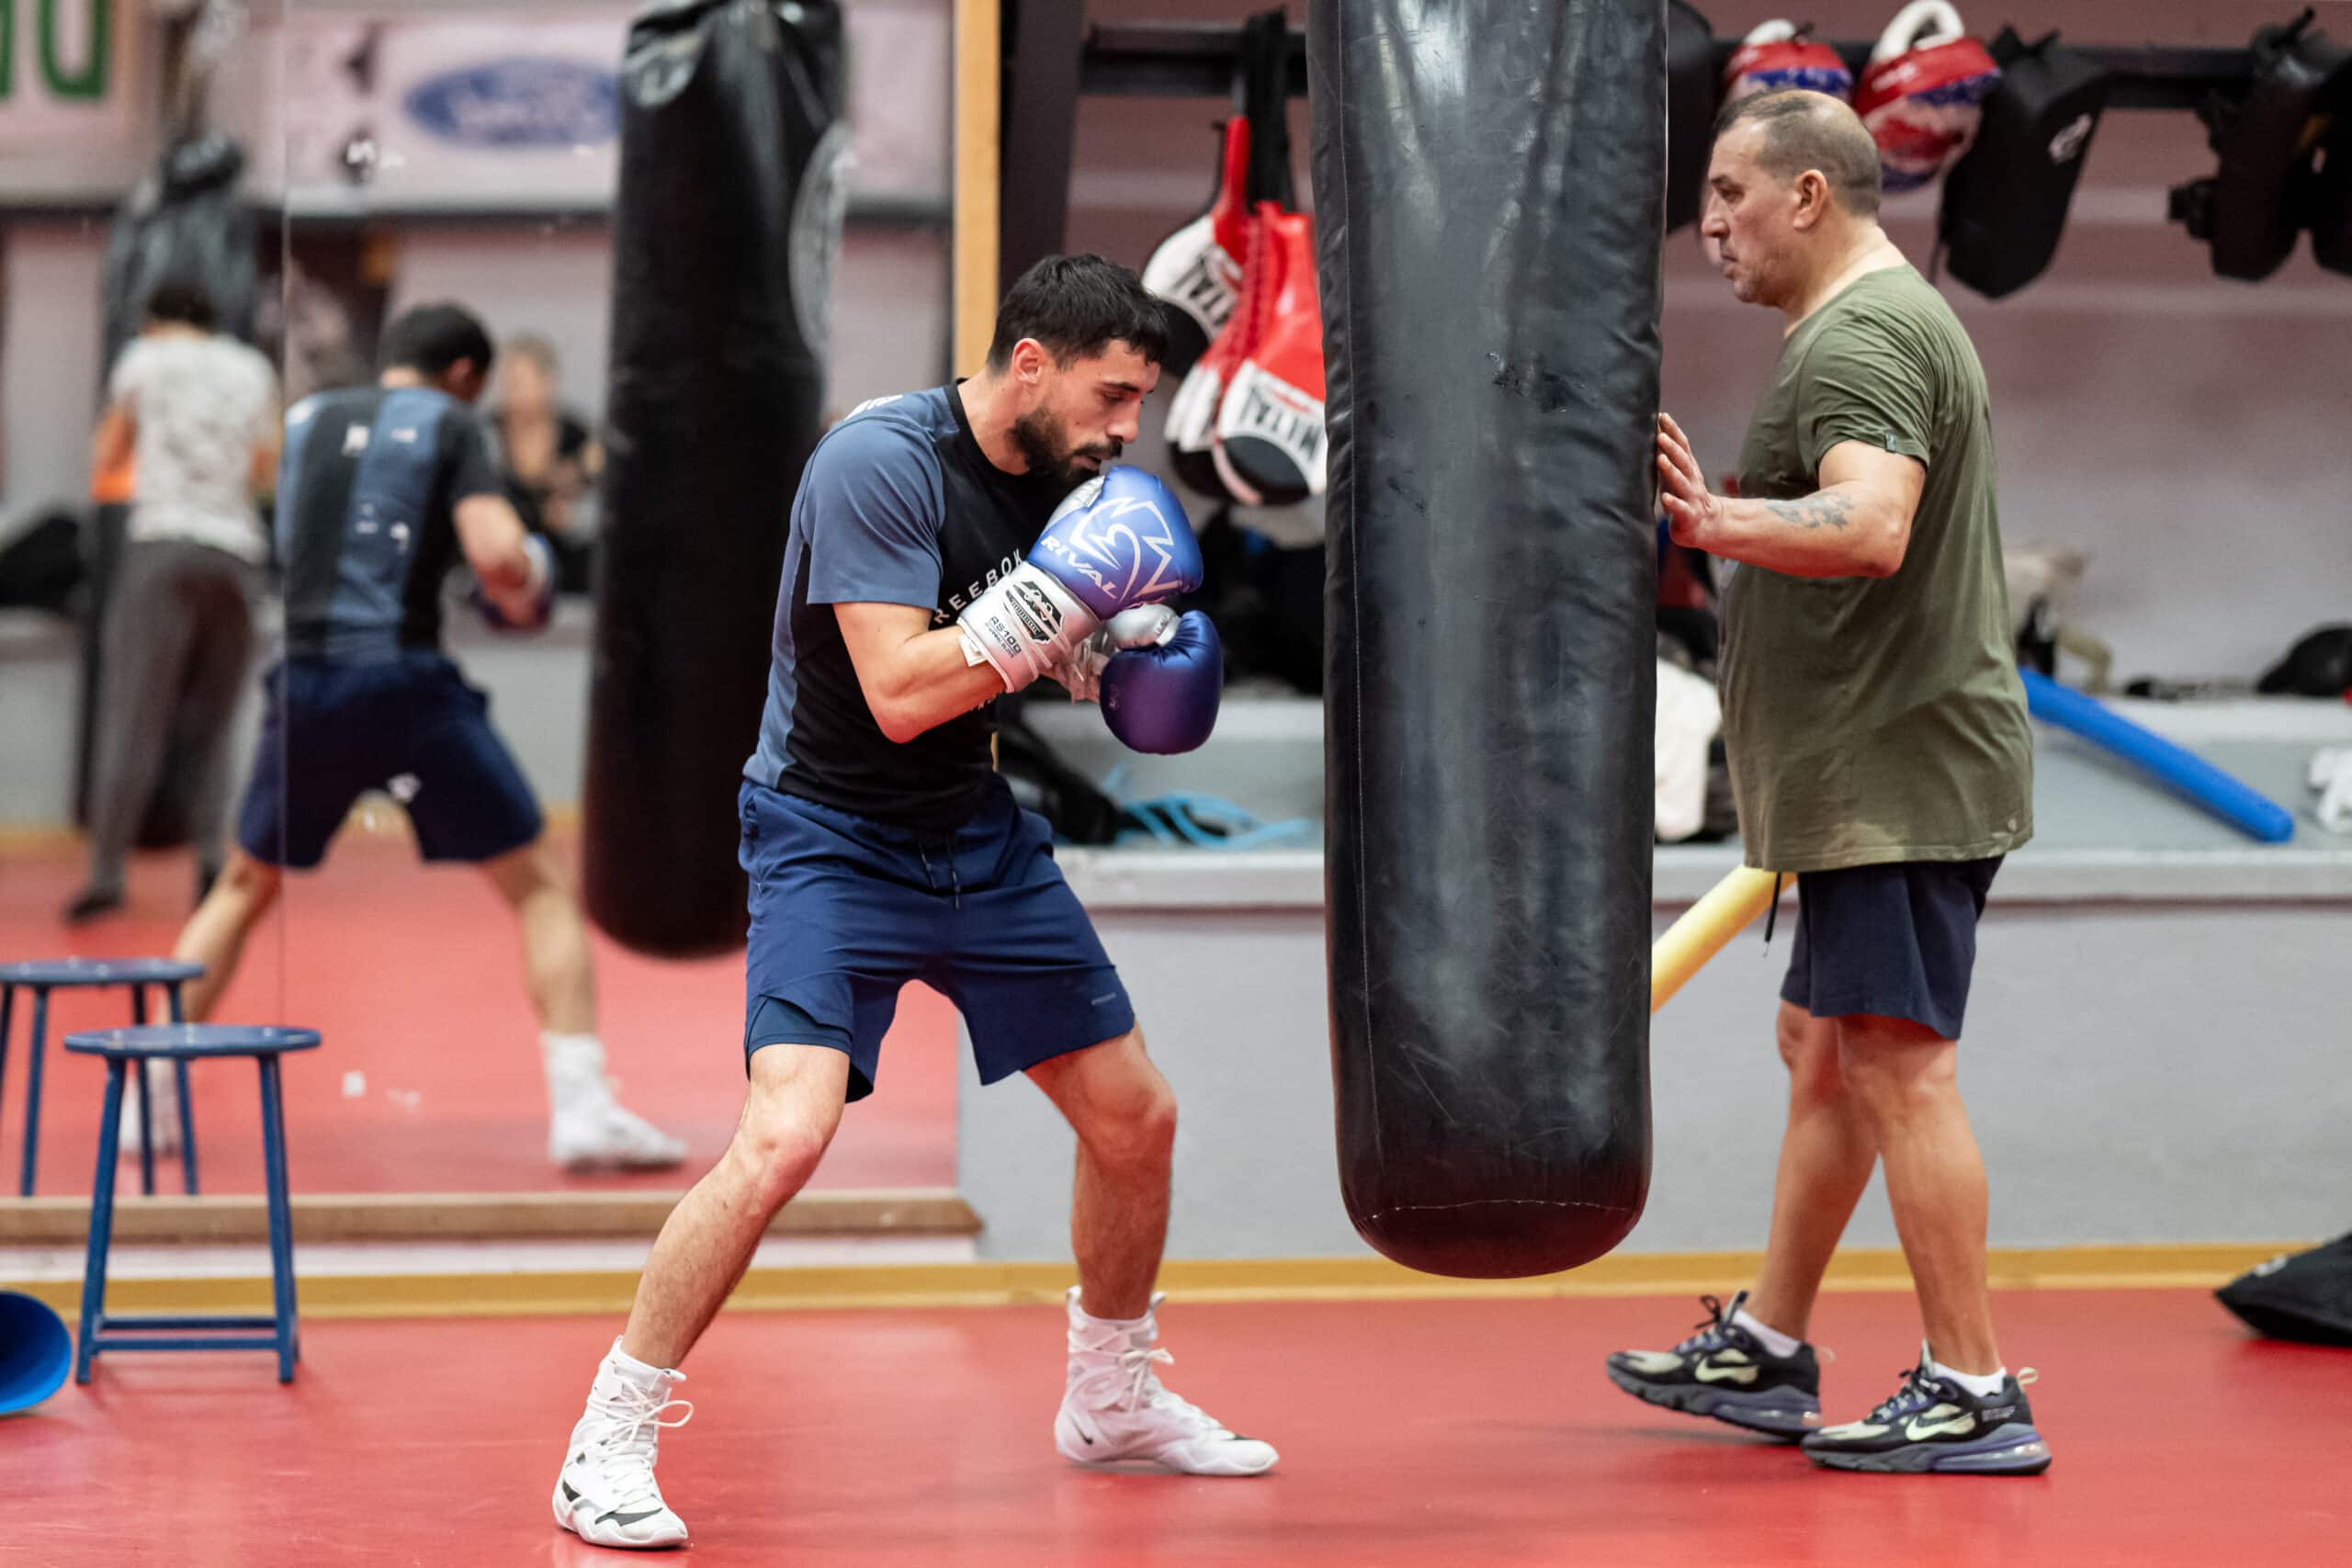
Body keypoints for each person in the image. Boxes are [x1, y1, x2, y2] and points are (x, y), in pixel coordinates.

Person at [549, 254, 1266, 1552]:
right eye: (1113, 394)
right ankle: (611, 1425)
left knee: (1136, 1117)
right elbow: (899, 688)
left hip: (971, 834)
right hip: (829, 838)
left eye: (1141, 403)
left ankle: (1109, 1395)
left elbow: (1016, 662)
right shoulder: (876, 463)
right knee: (785, 1136)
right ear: (1031, 363)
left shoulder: (1068, 482)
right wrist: (1062, 601)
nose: (1125, 429)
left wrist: (1119, 655)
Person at [1606, 90, 2050, 1476]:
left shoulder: (1862, 334)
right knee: (1826, 1051)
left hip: (1895, 772)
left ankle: (1974, 1385)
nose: (1712, 223)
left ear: (1810, 195)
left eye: (1732, 194)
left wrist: (1718, 520)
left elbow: (1869, 523)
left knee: (1902, 1066)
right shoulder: (1870, 323)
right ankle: (1771, 1345)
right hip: (1865, 768)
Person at [164, 302, 684, 1174]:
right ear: (464, 378)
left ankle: (145, 1098)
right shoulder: (448, 421)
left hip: (306, 682)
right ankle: (583, 1107)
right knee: (541, 886)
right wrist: (532, 578)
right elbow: (497, 559)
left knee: (245, 883)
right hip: (403, 686)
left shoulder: (303, 421)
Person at [66, 279, 279, 924]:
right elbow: (267, 468)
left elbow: (106, 456)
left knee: (134, 712)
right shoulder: (252, 367)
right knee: (215, 721)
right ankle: (213, 862)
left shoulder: (142, 359)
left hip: (162, 543)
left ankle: (106, 872)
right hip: (237, 551)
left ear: (155, 320)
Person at [490, 333, 600, 595]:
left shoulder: (575, 434)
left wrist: (576, 482)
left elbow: (593, 486)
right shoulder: (487, 433)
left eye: (519, 382)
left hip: (563, 559)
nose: (511, 391)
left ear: (547, 382)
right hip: (503, 555)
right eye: (507, 382)